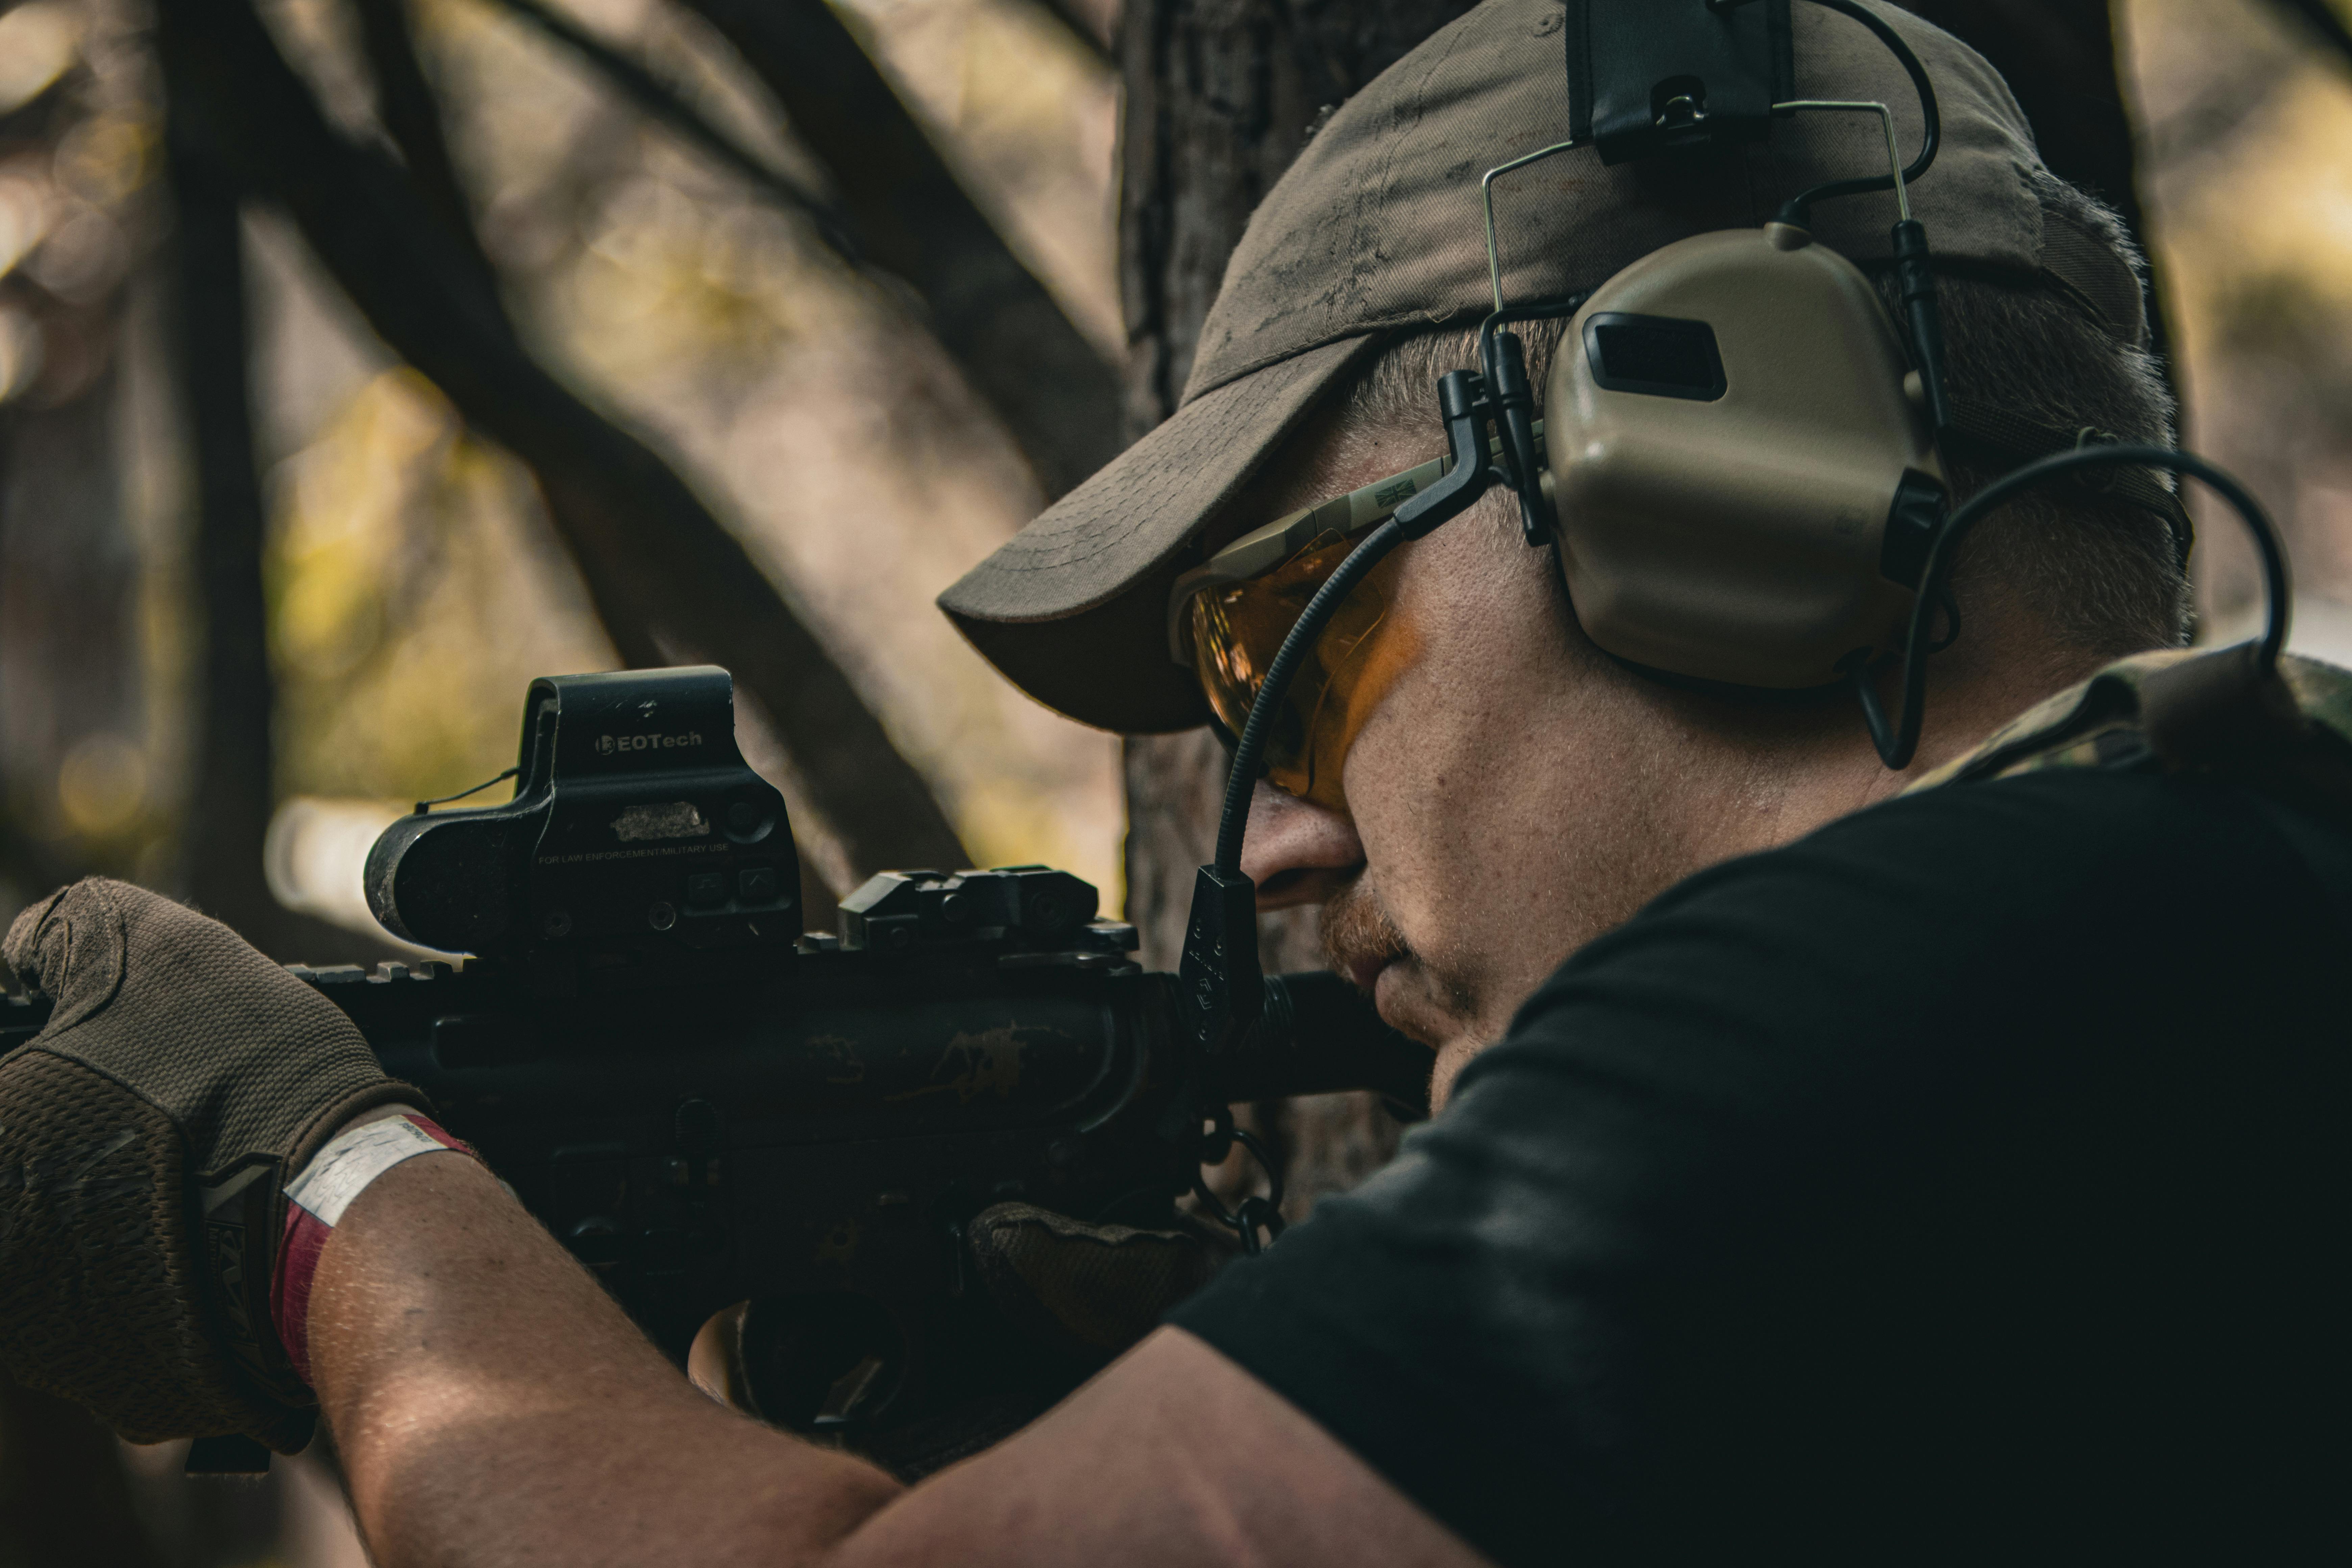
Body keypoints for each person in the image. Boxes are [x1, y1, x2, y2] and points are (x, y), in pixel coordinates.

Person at [3, 3, 2347, 1564]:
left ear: (1703, 459)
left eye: (1287, 643)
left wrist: (313, 1191)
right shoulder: (2213, 919)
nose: (1282, 825)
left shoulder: (1949, 983)